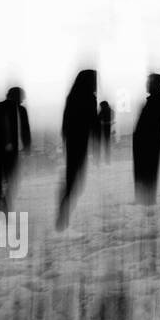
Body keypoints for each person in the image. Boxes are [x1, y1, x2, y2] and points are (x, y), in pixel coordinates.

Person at [57, 70, 97, 230]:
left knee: (72, 177)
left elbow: (65, 123)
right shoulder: (90, 98)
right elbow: (93, 122)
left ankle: (64, 206)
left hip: (72, 142)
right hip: (81, 142)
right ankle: (64, 209)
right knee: (77, 181)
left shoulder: (72, 96)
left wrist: (67, 138)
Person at [133, 73, 160, 205]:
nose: (146, 84)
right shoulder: (155, 99)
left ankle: (147, 200)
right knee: (143, 171)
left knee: (147, 171)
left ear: (156, 83)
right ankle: (143, 199)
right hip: (144, 141)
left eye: (149, 82)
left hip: (149, 141)